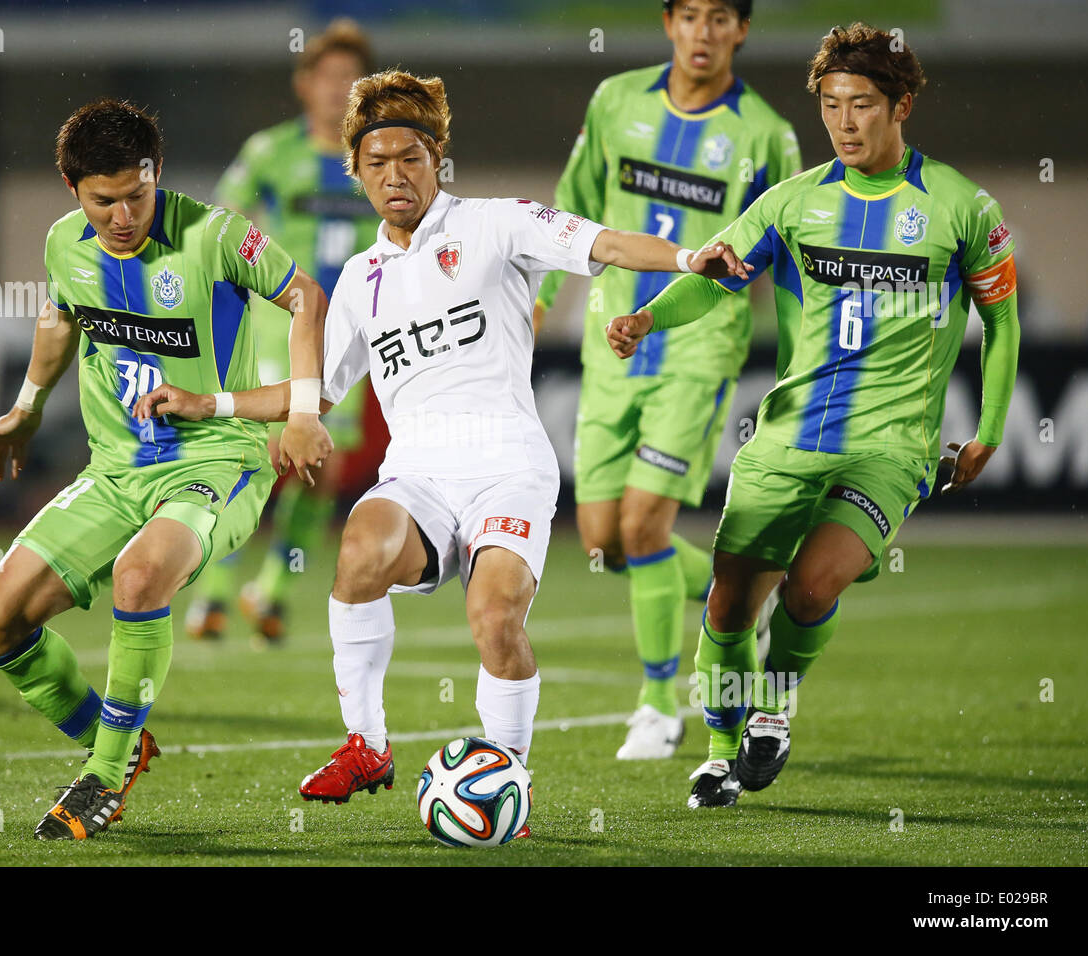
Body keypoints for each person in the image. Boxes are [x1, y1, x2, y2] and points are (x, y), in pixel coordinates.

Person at [136, 70, 748, 833]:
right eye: (378, 161)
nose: (396, 175)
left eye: (412, 158)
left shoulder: (498, 224)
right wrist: (209, 404)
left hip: (508, 469)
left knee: (494, 617)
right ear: (354, 171)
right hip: (419, 475)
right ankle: (368, 745)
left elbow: (608, 242)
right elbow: (313, 393)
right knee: (358, 550)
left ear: (437, 160)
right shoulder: (360, 280)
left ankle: (508, 775)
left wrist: (689, 260)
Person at [606, 23, 1020, 807]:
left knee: (811, 586)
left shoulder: (962, 207)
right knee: (729, 604)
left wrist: (991, 427)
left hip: (891, 447)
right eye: (830, 105)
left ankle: (772, 711)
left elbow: (1002, 323)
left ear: (901, 105)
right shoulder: (795, 201)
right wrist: (650, 319)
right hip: (791, 434)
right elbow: (716, 275)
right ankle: (724, 753)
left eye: (861, 104)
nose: (844, 122)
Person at [0, 99, 332, 840]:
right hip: (116, 471)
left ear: (155, 173)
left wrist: (300, 412)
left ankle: (102, 776)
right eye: (104, 201)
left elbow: (306, 296)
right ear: (73, 188)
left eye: (138, 194)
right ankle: (117, 743)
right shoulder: (64, 244)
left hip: (217, 458)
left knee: (141, 577)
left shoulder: (215, 234)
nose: (124, 215)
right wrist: (29, 405)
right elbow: (60, 316)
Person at [535, 0, 800, 760]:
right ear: (669, 23)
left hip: (698, 349)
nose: (704, 33)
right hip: (609, 344)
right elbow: (574, 208)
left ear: (741, 30)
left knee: (645, 526)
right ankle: (757, 593)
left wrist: (795, 355)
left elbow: (783, 252)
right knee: (604, 540)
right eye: (691, 15)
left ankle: (657, 704)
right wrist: (543, 300)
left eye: (722, 18)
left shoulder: (766, 135)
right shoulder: (616, 101)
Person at [190, 18, 385, 646]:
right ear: (305, 85)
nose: (337, 89)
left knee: (322, 467)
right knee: (263, 457)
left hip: (354, 336)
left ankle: (270, 587)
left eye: (350, 79)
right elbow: (219, 222)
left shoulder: (382, 158)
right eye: (327, 77)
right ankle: (213, 593)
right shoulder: (271, 151)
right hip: (282, 328)